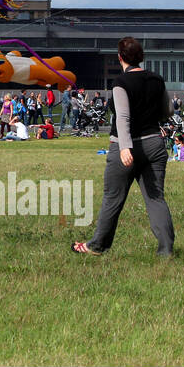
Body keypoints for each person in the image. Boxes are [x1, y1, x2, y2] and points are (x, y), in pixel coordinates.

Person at [75, 37, 175, 258]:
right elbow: (168, 110)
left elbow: (122, 117)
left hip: (125, 146)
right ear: (142, 57)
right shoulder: (157, 80)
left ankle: (97, 246)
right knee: (155, 198)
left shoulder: (121, 82)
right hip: (155, 144)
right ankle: (166, 250)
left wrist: (124, 148)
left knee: (113, 197)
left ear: (119, 58)